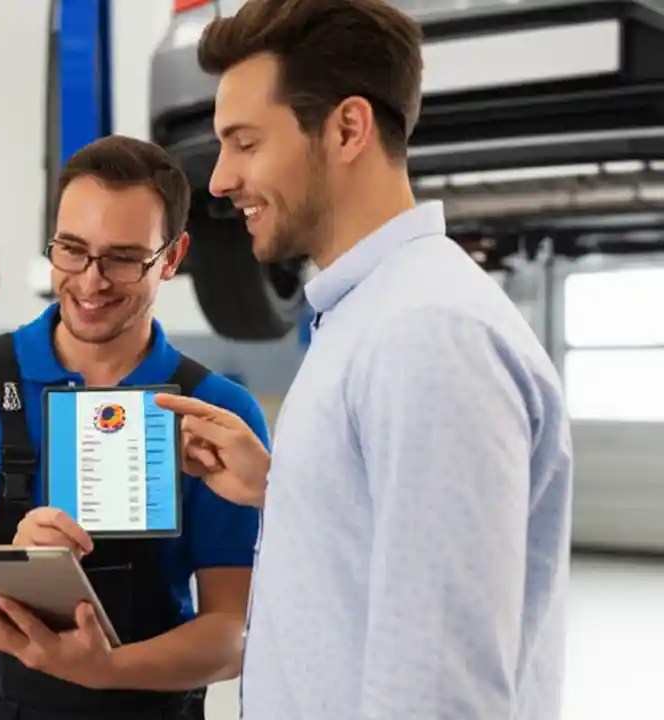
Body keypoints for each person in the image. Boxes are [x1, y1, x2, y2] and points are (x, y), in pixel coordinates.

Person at [152, 1, 575, 718]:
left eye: (245, 143)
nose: (218, 181)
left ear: (348, 128)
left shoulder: (427, 335)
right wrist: (285, 486)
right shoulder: (369, 313)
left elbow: (438, 688)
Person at [0, 134, 268, 720]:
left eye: (121, 257)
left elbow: (232, 630)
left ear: (172, 257)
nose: (90, 282)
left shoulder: (215, 413)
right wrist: (10, 564)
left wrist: (105, 670)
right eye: (71, 250)